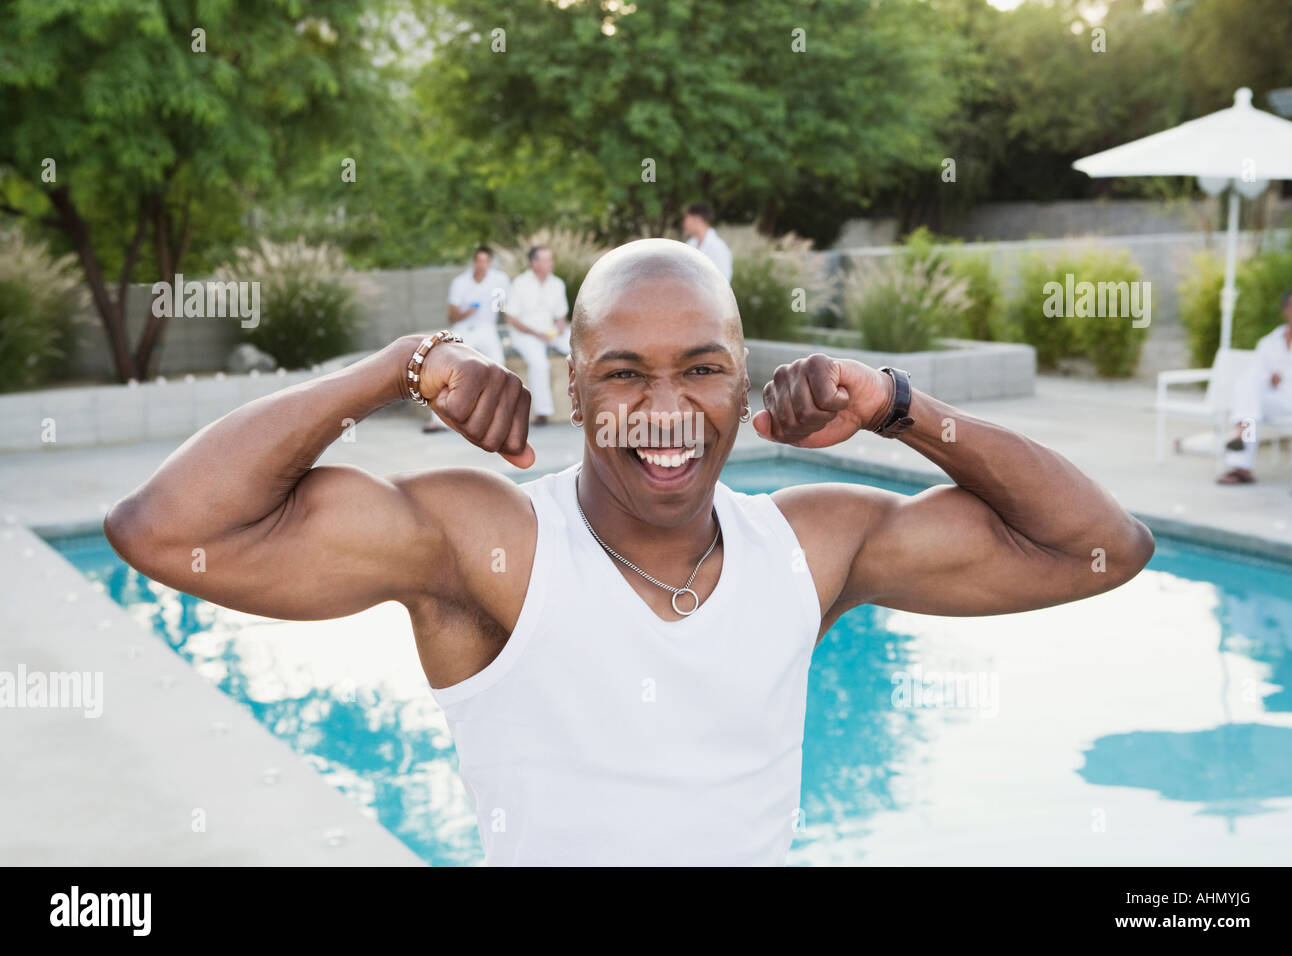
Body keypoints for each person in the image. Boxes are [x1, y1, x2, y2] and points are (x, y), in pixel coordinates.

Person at [104, 238, 1154, 867]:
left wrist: (897, 405)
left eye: (701, 369)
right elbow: (166, 531)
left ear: (746, 381)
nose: (664, 411)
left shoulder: (811, 545)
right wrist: (396, 366)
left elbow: (1101, 546)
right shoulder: (491, 545)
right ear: (571, 388)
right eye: (621, 374)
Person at [1217, 288, 1292, 486]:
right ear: (1285, 310)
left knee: (1249, 405)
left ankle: (1240, 447)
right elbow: (1258, 376)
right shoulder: (1268, 343)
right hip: (1273, 403)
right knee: (1250, 383)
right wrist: (1268, 378)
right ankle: (1242, 456)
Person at [425, 245, 511, 433]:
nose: (482, 265)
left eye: (486, 261)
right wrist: (466, 313)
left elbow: (503, 308)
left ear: (490, 263)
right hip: (463, 329)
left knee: (500, 366)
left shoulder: (500, 280)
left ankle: (499, 418)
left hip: (487, 329)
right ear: (474, 262)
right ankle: (437, 420)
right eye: (479, 261)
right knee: (449, 367)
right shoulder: (460, 282)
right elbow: (452, 316)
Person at [504, 245, 570, 425]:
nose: (551, 263)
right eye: (547, 259)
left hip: (550, 332)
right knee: (539, 363)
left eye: (551, 259)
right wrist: (537, 334)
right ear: (534, 263)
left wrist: (560, 328)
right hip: (525, 334)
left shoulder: (557, 283)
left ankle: (585, 404)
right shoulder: (520, 283)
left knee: (578, 348)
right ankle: (543, 412)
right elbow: (511, 318)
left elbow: (560, 315)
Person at [681, 202, 732, 282]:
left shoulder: (718, 247)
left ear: (697, 220)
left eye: (685, 219)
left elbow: (723, 281)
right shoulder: (690, 244)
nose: (683, 223)